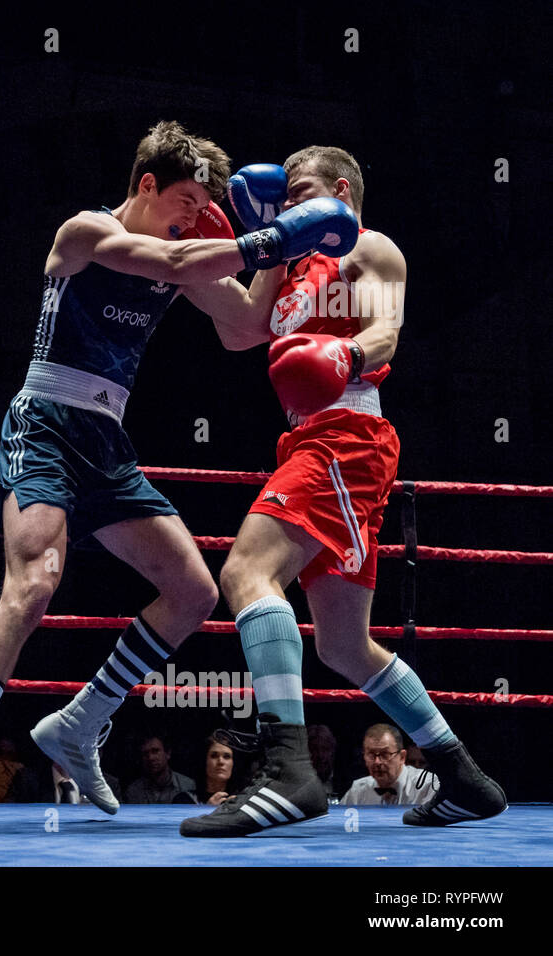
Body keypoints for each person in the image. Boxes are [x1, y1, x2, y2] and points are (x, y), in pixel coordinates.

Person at [0, 120, 362, 836]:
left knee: (193, 590)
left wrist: (284, 242)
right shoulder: (85, 232)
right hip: (46, 426)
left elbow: (247, 326)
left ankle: (82, 722)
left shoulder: (181, 253)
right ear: (146, 184)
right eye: (185, 198)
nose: (194, 213)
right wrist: (269, 240)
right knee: (33, 584)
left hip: (108, 443)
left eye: (202, 205)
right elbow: (176, 262)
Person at [177, 149, 507, 836]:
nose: (288, 206)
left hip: (347, 431)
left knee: (246, 570)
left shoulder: (369, 248)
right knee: (345, 645)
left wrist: (345, 355)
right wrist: (192, 254)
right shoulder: (292, 267)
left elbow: (386, 333)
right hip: (312, 438)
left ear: (338, 190)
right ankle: (463, 776)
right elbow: (241, 331)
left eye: (300, 193)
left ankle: (289, 772)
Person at [341, 724, 438, 806]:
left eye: (385, 754)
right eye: (371, 754)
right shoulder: (358, 791)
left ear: (402, 757)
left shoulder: (427, 786)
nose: (377, 762)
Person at [123, 734, 195, 804]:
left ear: (168, 754)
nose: (150, 758)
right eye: (145, 753)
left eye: (155, 751)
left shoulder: (187, 785)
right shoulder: (134, 791)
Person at [174, 736, 237, 806]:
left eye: (226, 757)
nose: (220, 761)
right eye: (214, 756)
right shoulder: (184, 800)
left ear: (233, 763)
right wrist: (206, 811)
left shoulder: (241, 799)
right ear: (204, 761)